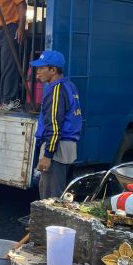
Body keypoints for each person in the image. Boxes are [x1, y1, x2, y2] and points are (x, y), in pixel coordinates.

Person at [31, 50, 82, 199]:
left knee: (50, 198)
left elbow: (53, 125)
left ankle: (49, 223)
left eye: (42, 68)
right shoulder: (68, 85)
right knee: (57, 194)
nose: (37, 72)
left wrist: (47, 155)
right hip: (64, 147)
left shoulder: (56, 91)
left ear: (53, 70)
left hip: (56, 150)